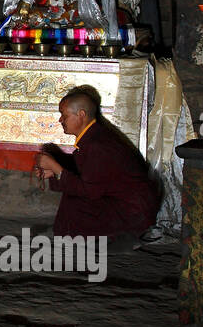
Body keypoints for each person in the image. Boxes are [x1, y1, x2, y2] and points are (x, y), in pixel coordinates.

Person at [32, 86, 160, 237]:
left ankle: (78, 236)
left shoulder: (98, 145)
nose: (60, 120)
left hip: (132, 213)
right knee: (73, 196)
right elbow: (85, 171)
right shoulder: (94, 136)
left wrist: (54, 166)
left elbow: (89, 190)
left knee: (76, 200)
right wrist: (54, 172)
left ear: (81, 115)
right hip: (129, 207)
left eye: (64, 115)